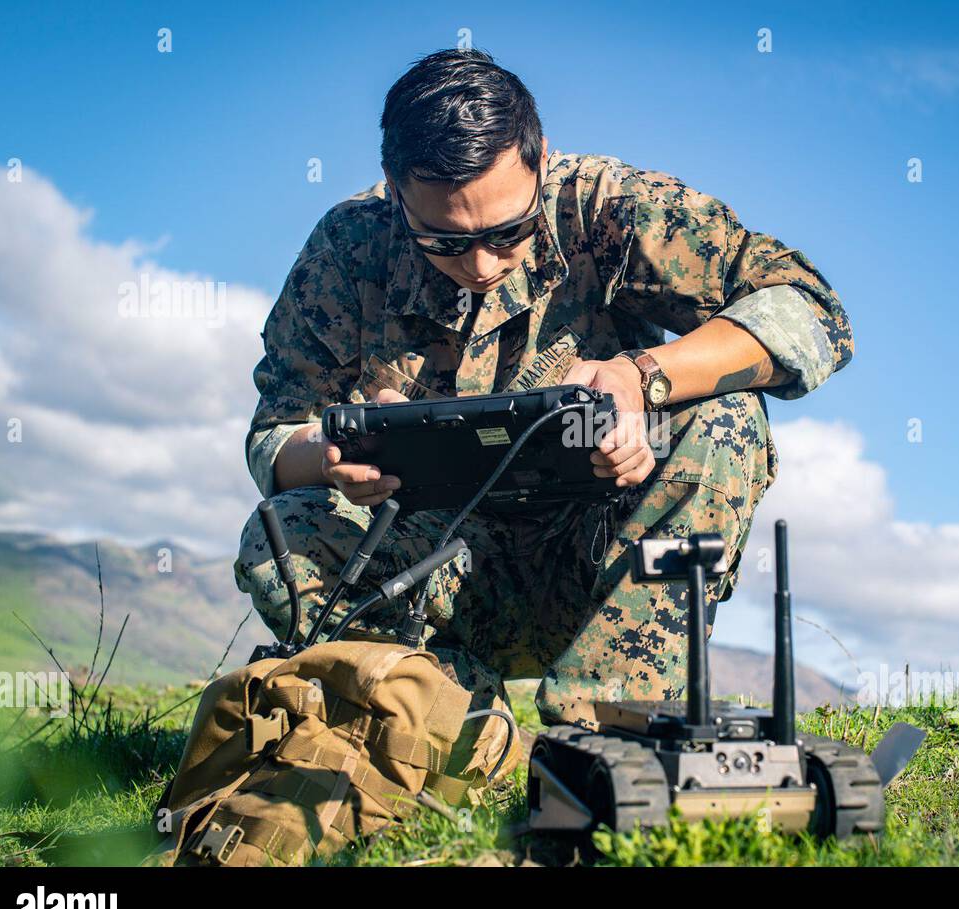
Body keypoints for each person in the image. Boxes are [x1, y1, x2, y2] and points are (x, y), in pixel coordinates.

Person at [235, 48, 853, 730]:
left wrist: (641, 378)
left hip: (604, 560)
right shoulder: (347, 249)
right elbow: (274, 436)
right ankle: (455, 728)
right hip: (434, 571)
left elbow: (811, 310)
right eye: (441, 240)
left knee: (727, 417)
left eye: (507, 233)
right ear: (395, 187)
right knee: (281, 540)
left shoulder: (608, 207)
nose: (479, 264)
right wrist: (331, 455)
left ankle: (607, 728)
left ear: (541, 161)